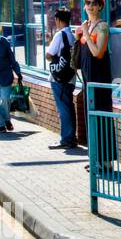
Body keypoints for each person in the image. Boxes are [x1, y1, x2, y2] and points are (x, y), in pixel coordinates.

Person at [74, 0, 113, 168]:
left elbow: (98, 52)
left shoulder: (102, 26)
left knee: (101, 115)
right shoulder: (86, 25)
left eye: (94, 3)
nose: (90, 6)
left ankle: (106, 161)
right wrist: (81, 35)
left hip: (99, 79)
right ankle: (95, 159)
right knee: (90, 117)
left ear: (100, 6)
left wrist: (87, 35)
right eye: (87, 3)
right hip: (87, 79)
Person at [44, 8, 79, 150]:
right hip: (70, 77)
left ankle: (67, 139)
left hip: (59, 78)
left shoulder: (59, 35)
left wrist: (51, 55)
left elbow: (49, 54)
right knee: (69, 107)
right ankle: (71, 137)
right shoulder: (72, 35)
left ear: (58, 20)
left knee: (63, 109)